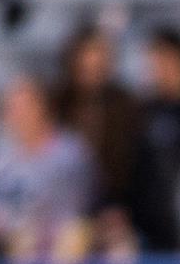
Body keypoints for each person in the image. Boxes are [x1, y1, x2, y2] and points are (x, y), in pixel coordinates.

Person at [0, 74, 92, 263]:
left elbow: (77, 211)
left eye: (24, 106)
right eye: (12, 108)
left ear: (42, 107)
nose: (18, 114)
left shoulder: (70, 154)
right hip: (5, 250)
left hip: (60, 253)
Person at [52, 23, 140, 217]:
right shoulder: (56, 103)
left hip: (113, 206)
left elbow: (132, 165)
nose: (92, 66)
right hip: (61, 205)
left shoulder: (125, 106)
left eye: (99, 59)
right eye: (86, 57)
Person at [127, 24, 180, 252]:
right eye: (155, 62)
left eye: (167, 60)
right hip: (148, 234)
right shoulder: (144, 114)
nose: (160, 69)